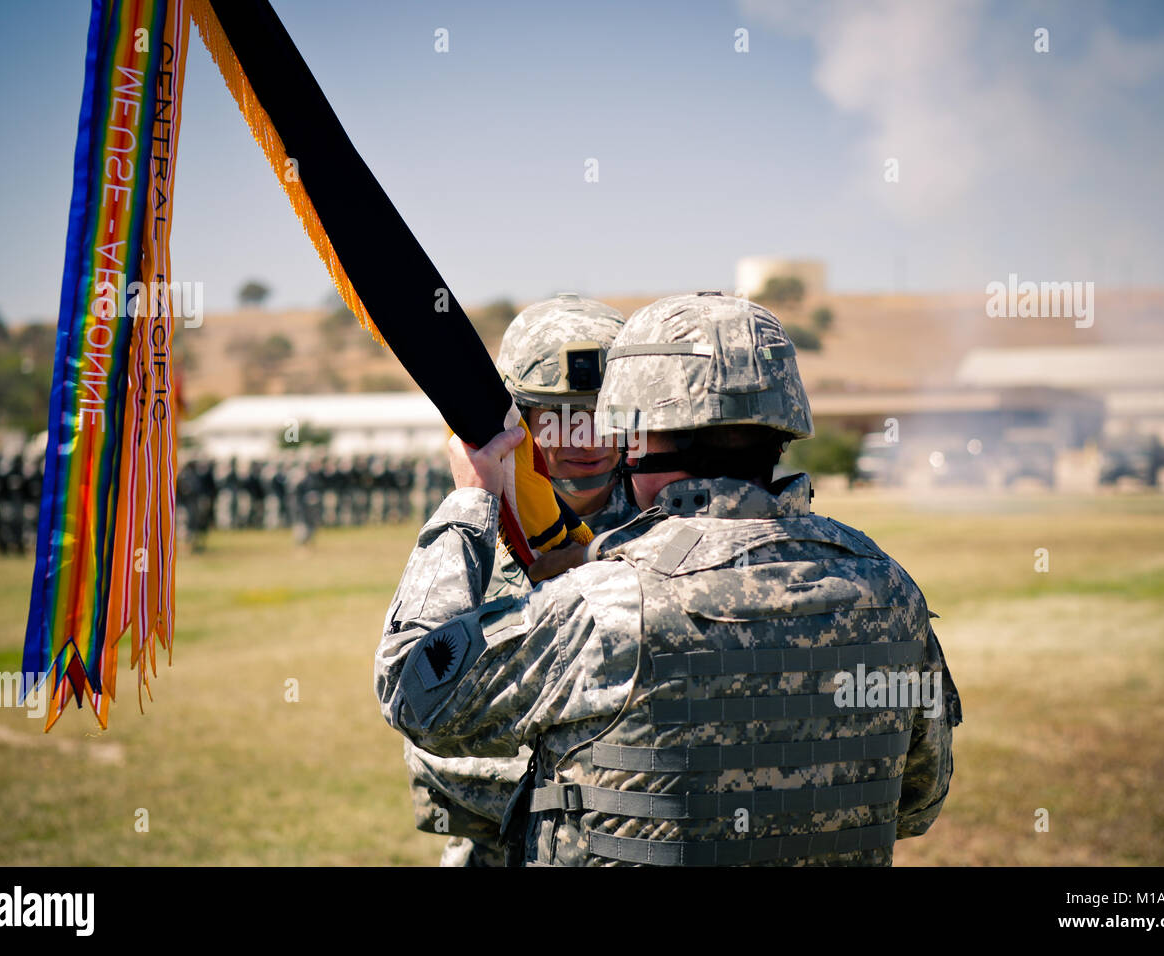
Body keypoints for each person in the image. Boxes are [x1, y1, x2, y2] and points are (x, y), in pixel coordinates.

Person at [377, 292, 960, 866]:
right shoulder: (888, 586)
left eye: (610, 423)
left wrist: (468, 502)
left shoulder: (606, 600)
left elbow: (413, 687)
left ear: (644, 431)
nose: (589, 440)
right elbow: (916, 799)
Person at [403, 293, 638, 867]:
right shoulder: (479, 530)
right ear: (518, 423)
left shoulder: (681, 522)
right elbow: (429, 730)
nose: (584, 440)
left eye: (601, 416)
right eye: (559, 419)